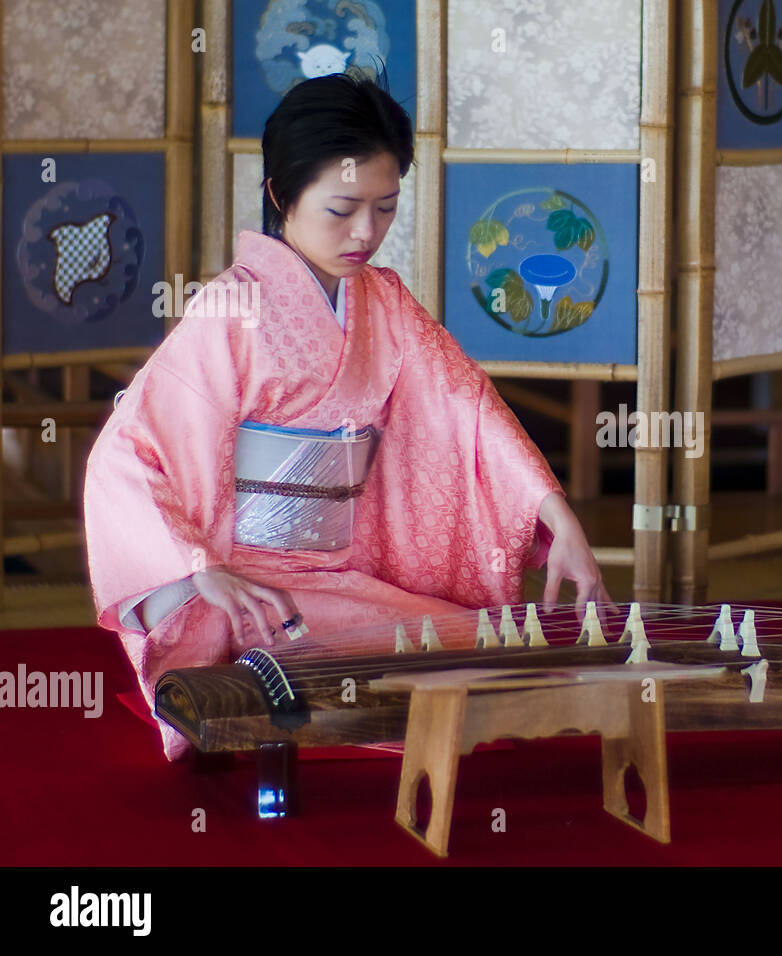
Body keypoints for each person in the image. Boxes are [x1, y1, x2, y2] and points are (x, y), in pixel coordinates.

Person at [83, 69, 610, 761]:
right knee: (446, 671)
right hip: (251, 587)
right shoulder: (229, 313)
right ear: (280, 194)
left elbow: (464, 410)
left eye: (386, 208)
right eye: (342, 208)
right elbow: (129, 453)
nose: (367, 232)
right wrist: (194, 566)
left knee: (483, 648)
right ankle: (251, 669)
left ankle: (292, 687)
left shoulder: (383, 302)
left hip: (342, 575)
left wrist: (555, 516)